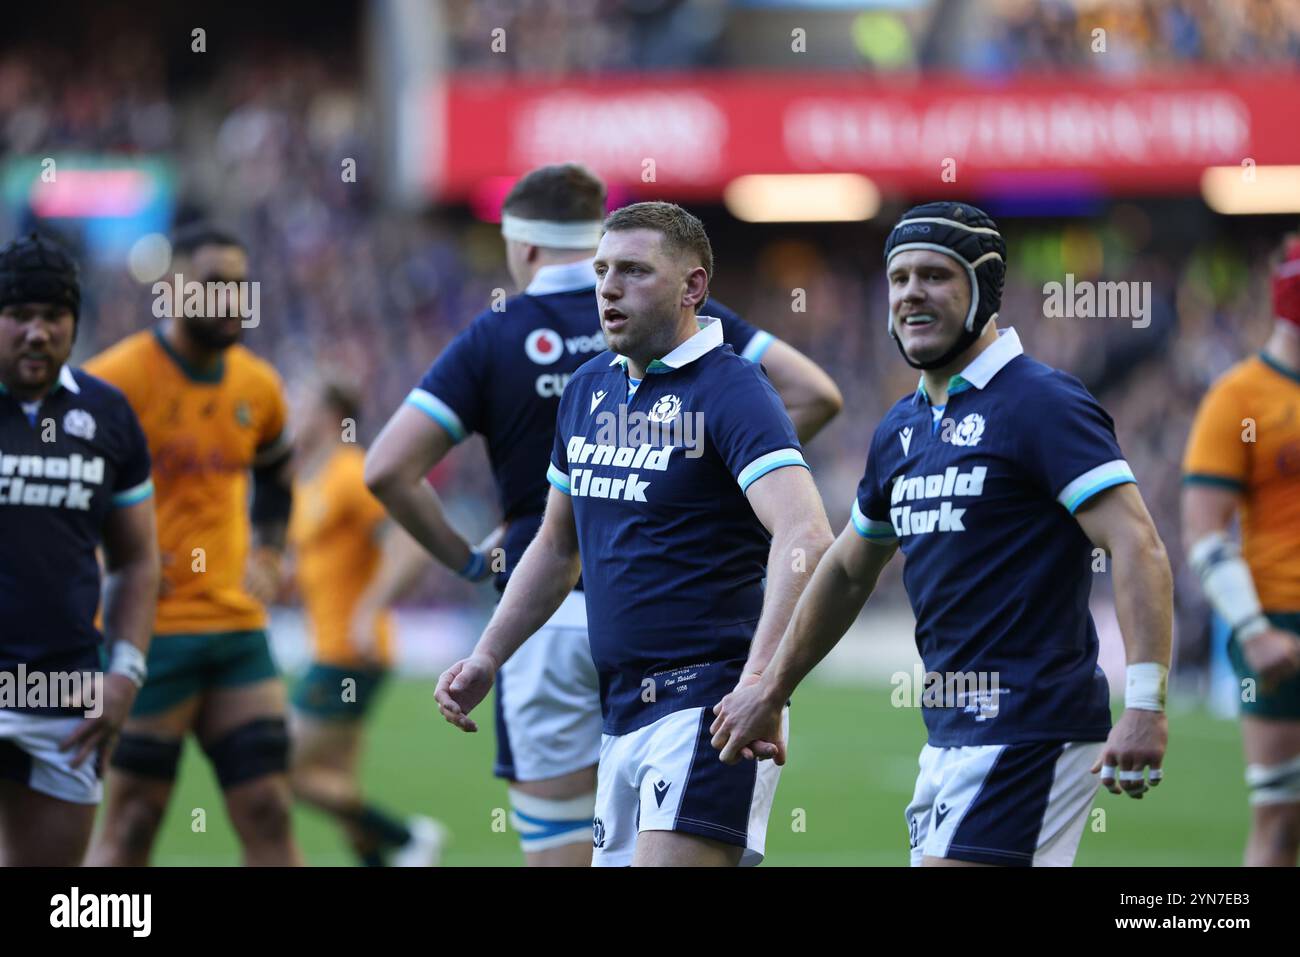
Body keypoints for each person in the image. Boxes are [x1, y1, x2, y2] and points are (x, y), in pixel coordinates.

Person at [365, 164, 842, 866]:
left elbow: (806, 533)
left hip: (707, 704)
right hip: (623, 711)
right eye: (602, 270)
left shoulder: (735, 389)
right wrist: (488, 656)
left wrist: (762, 684)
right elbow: (557, 546)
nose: (609, 288)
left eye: (634, 272)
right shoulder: (590, 388)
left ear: (693, 289)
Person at [710, 202, 1173, 867]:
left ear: (982, 287)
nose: (910, 295)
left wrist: (1148, 704)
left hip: (1029, 725)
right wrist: (770, 688)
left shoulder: (1041, 403)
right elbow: (846, 570)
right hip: (951, 731)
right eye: (898, 279)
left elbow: (1137, 543)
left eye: (934, 276)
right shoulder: (902, 427)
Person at [85, 223, 302, 866]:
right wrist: (100, 564)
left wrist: (268, 552)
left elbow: (276, 475)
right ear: (172, 291)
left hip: (235, 629)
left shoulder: (257, 386)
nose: (231, 300)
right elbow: (63, 495)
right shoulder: (114, 383)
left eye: (239, 286)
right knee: (131, 823)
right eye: (213, 285)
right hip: (147, 634)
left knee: (268, 807)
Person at [0, 233, 159, 865]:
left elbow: (138, 560)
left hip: (66, 690)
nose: (37, 332)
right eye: (19, 315)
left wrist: (125, 672)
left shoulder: (108, 415)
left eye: (53, 316)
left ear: (74, 322)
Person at [285, 375, 445, 866]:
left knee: (281, 769)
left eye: (302, 401)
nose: (291, 411)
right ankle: (389, 858)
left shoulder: (350, 473)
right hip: (333, 647)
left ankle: (406, 839)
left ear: (330, 416)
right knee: (338, 787)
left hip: (349, 652)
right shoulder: (312, 478)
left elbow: (408, 545)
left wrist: (369, 609)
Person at [1182, 235, 1300, 866]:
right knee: (1281, 823)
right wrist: (1253, 631)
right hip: (1281, 626)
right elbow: (1203, 529)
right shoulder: (1240, 396)